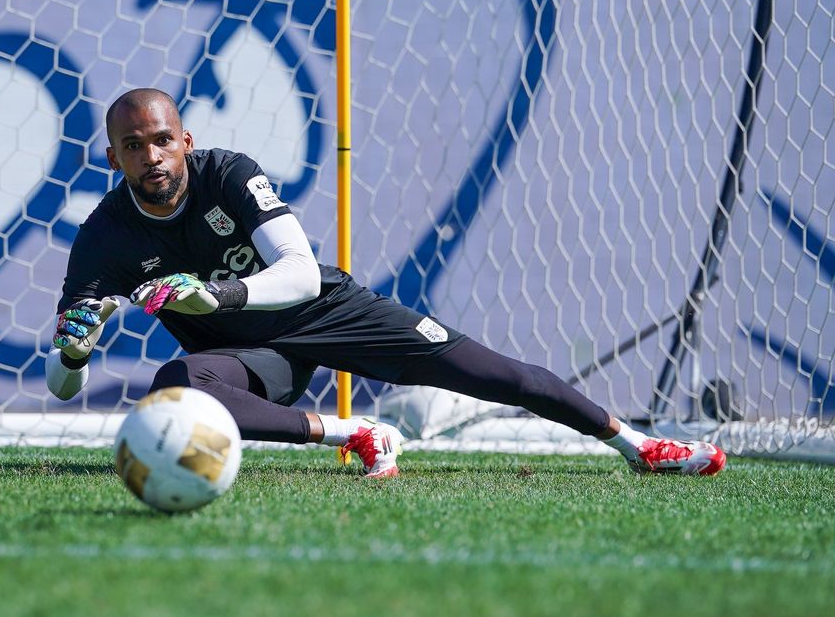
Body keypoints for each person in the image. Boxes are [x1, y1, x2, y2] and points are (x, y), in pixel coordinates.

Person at [45, 88, 727, 478]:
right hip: (258, 360)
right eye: (134, 147)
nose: (152, 156)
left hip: (327, 310)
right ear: (113, 157)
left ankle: (640, 446)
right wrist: (73, 351)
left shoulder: (227, 174)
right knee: (177, 385)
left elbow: (301, 272)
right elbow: (63, 385)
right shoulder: (104, 236)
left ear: (186, 140)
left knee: (497, 375)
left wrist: (217, 295)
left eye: (162, 139)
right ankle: (355, 433)